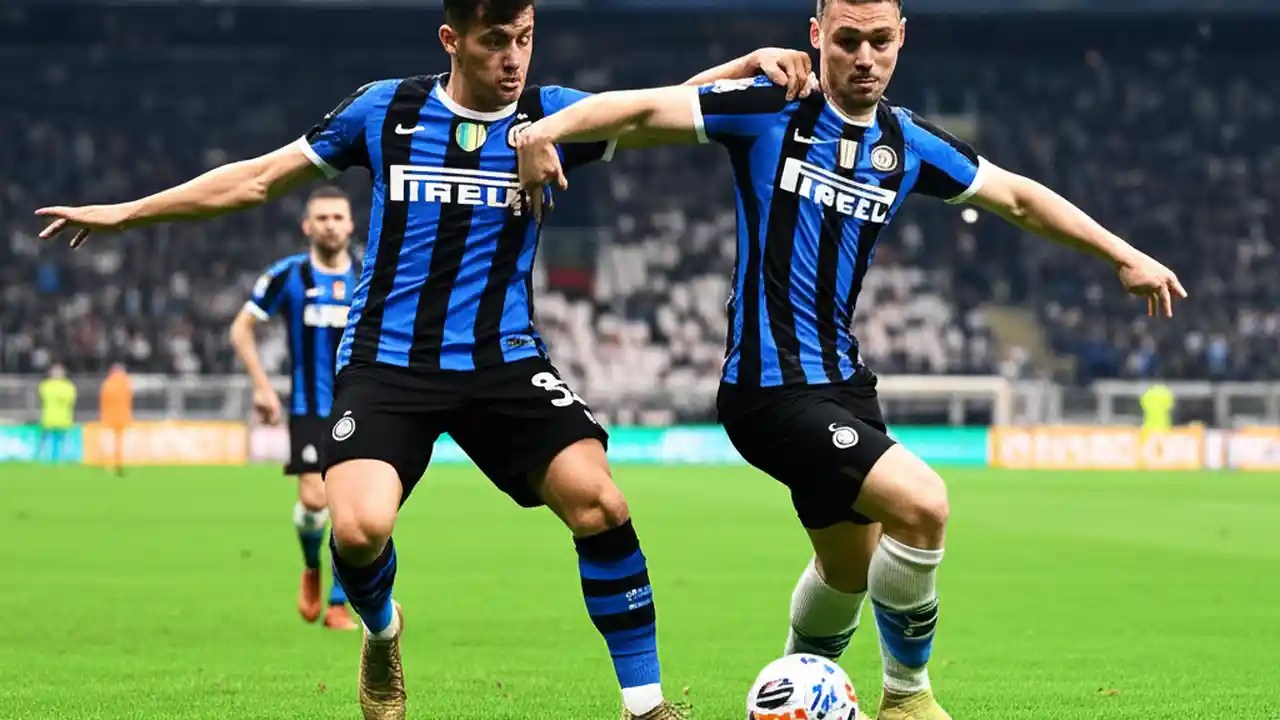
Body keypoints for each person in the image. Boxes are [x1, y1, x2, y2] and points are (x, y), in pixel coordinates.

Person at [33, 1, 813, 716]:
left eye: (525, 38)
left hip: (502, 359)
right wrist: (129, 213)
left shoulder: (551, 113)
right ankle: (382, 632)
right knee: (360, 530)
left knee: (601, 503)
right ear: (452, 40)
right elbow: (262, 178)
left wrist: (745, 64)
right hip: (388, 361)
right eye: (495, 42)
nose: (514, 58)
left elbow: (656, 108)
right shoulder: (386, 111)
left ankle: (644, 706)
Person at [511, 0, 1188, 717]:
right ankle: (907, 698)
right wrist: (544, 129)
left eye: (880, 41)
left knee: (846, 572)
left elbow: (1016, 197)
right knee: (923, 504)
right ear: (817, 37)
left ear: (902, 39)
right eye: (847, 40)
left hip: (844, 384)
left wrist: (1123, 255)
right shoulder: (773, 108)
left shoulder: (908, 141)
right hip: (768, 391)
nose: (865, 58)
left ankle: (787, 698)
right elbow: (646, 111)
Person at [228, 185, 360, 632]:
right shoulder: (288, 275)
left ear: (351, 224)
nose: (330, 225)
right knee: (314, 500)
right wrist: (263, 387)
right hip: (309, 406)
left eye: (337, 217)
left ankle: (340, 603)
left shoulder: (370, 272)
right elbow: (241, 329)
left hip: (363, 406)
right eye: (321, 218)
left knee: (353, 507)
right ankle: (311, 565)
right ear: (307, 225)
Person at [38, 363, 77, 464]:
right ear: (50, 373)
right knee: (46, 442)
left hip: (63, 419)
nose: (57, 373)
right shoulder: (45, 385)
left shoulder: (68, 386)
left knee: (63, 443)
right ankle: (42, 460)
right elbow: (45, 395)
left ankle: (63, 460)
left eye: (59, 371)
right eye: (55, 371)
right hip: (49, 419)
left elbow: (70, 398)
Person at [98, 363, 133, 476]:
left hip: (109, 418)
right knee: (121, 444)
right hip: (123, 418)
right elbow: (129, 402)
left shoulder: (107, 384)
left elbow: (103, 402)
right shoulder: (127, 383)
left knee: (109, 443)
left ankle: (109, 466)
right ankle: (119, 464)